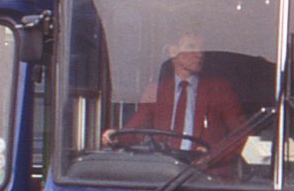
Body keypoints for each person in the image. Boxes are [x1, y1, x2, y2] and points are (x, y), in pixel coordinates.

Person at [102, 32, 245, 171]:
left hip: (206, 174)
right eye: (191, 47)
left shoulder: (219, 90)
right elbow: (135, 129)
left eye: (201, 48)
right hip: (163, 171)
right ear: (173, 51)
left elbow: (241, 133)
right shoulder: (155, 91)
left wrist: (214, 154)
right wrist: (116, 136)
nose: (199, 54)